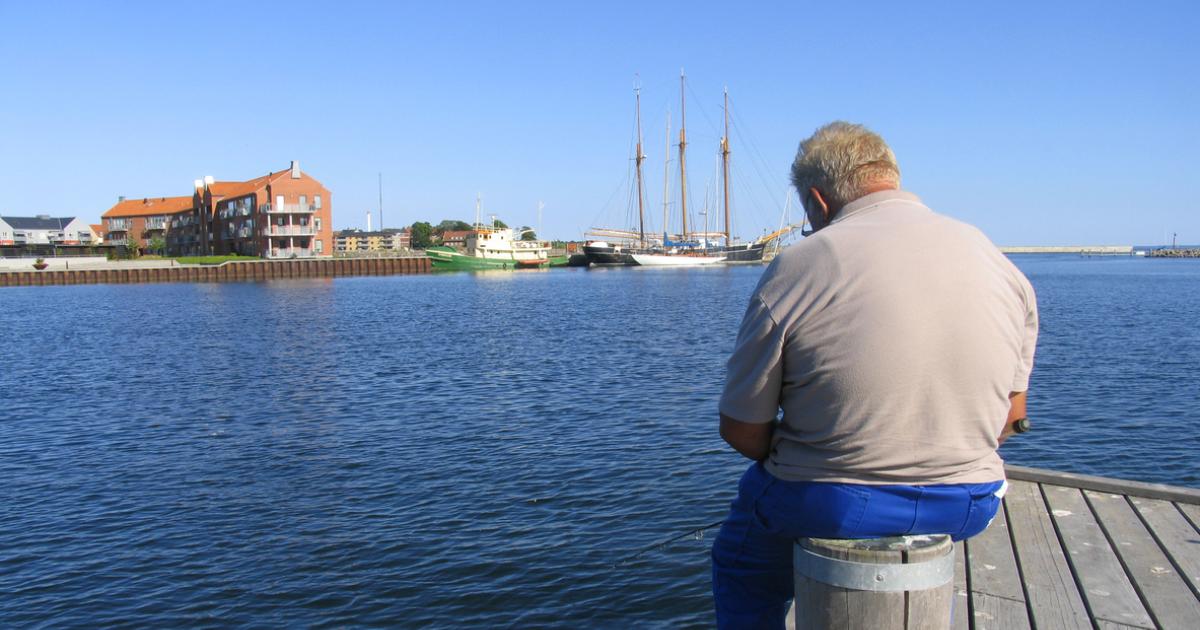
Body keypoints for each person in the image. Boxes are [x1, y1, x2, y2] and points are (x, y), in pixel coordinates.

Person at [711, 121, 1038, 629]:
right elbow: (1010, 418)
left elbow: (742, 432)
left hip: (830, 501)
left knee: (740, 566)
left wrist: (819, 447)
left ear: (818, 202)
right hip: (969, 503)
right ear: (891, 177)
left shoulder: (800, 265)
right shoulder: (996, 260)